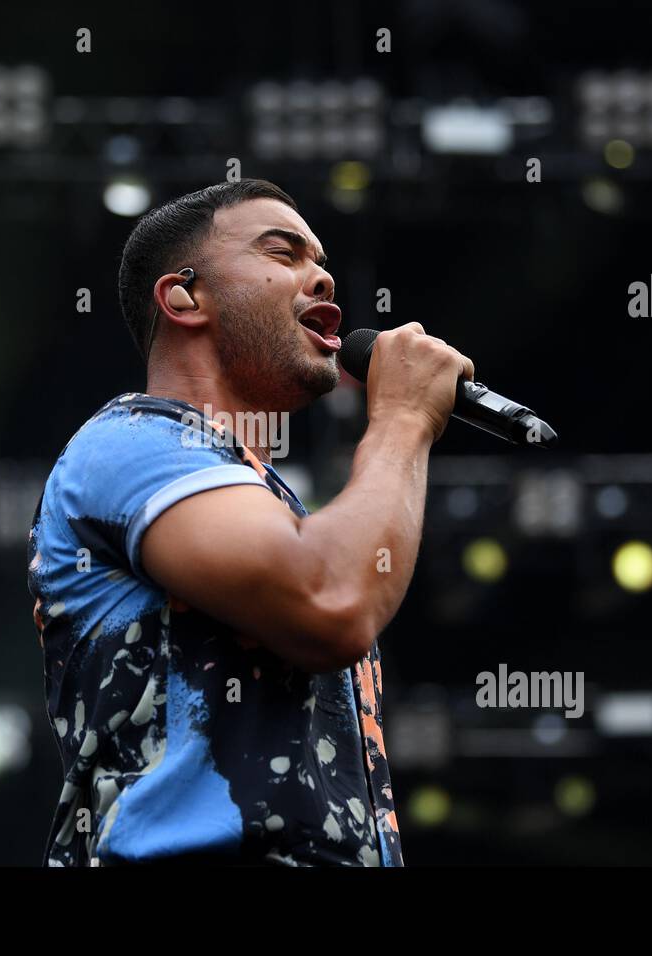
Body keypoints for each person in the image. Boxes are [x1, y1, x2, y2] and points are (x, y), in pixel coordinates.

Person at [27, 179, 473, 866]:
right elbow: (331, 603)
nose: (320, 274)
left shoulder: (282, 510)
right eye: (283, 252)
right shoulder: (131, 444)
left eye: (319, 258)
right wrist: (406, 418)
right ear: (183, 297)